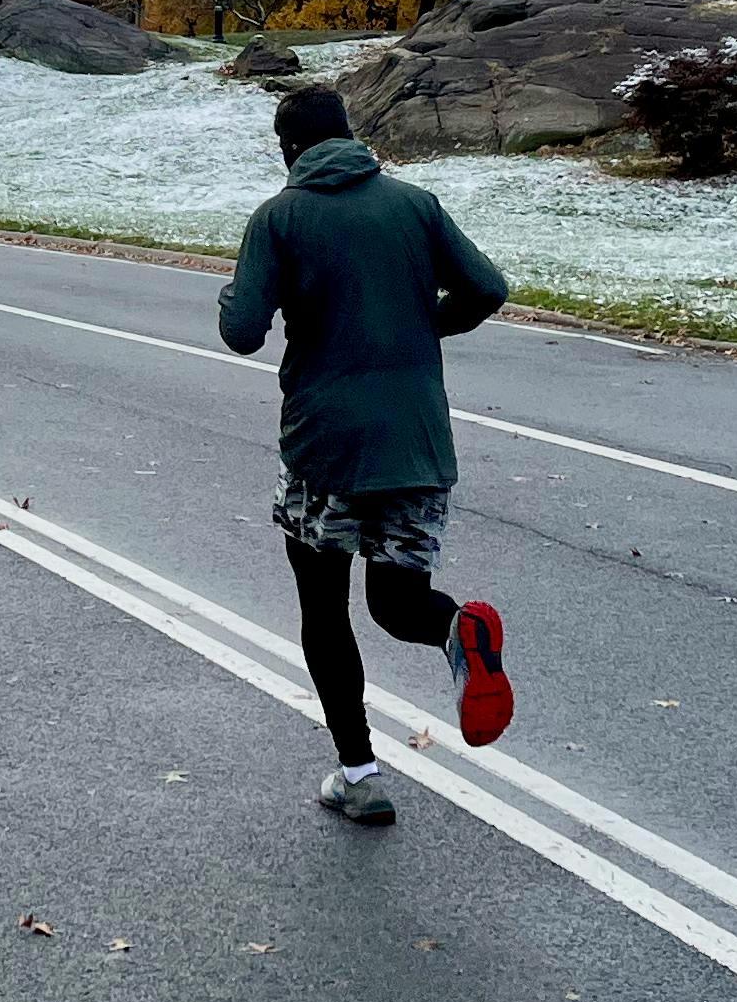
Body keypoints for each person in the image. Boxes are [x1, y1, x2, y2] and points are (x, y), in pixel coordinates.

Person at [217, 83, 517, 826]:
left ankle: (359, 776)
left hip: (325, 448)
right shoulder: (415, 205)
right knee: (398, 602)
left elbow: (243, 331)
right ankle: (457, 631)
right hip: (417, 441)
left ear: (289, 149)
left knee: (325, 610)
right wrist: (424, 325)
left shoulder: (280, 217)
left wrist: (234, 294)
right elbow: (487, 287)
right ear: (349, 135)